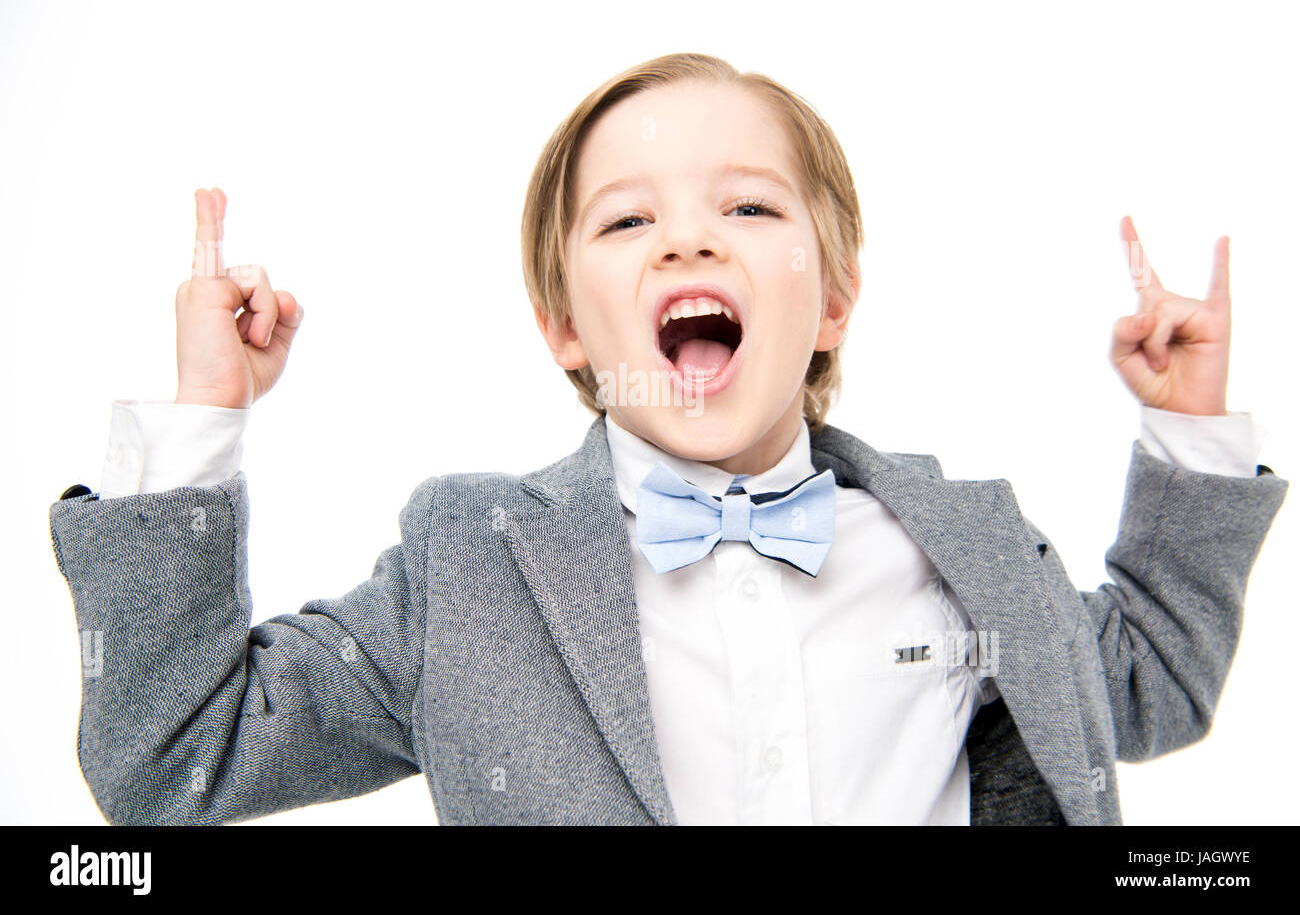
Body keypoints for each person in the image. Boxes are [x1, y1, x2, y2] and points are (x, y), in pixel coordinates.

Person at [48, 52, 1287, 825]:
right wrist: (204, 418)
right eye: (627, 219)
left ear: (834, 299)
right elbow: (173, 767)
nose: (690, 242)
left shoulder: (961, 546)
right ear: (562, 328)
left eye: (747, 206)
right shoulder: (465, 573)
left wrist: (1186, 439)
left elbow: (1148, 689)